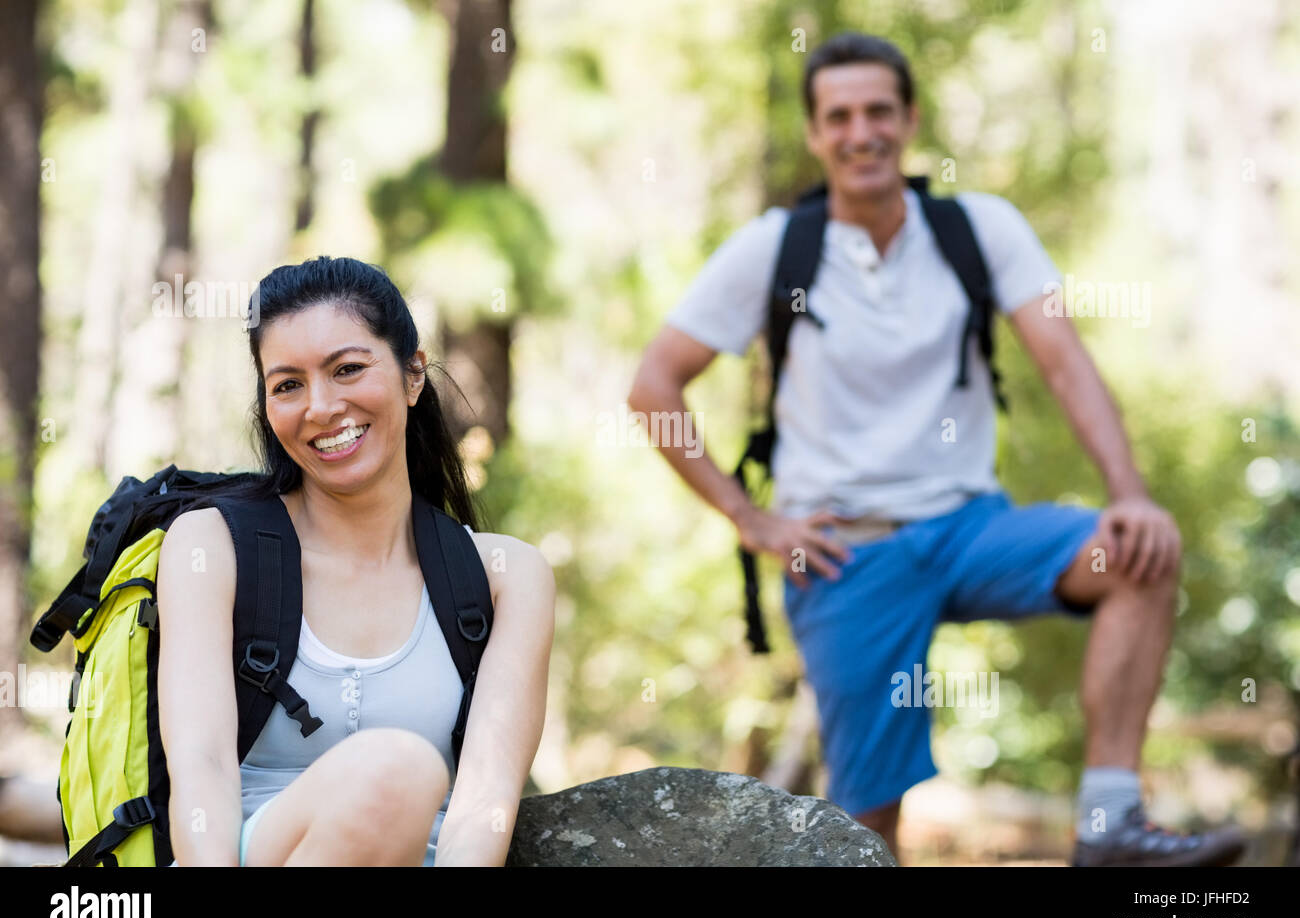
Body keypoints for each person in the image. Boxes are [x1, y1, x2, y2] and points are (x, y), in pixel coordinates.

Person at [628, 33, 1245, 866]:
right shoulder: (776, 248)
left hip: (970, 529)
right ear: (816, 134)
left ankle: (1109, 825)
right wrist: (751, 519)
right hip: (851, 552)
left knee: (1137, 555)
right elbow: (653, 386)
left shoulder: (978, 229)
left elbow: (1066, 366)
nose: (862, 132)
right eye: (839, 116)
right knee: (867, 829)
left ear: (910, 119)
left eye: (879, 110)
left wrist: (1128, 490)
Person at [157, 256, 554, 866]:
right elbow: (201, 769)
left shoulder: (505, 578)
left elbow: (485, 805)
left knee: (400, 774)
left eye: (347, 369)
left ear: (413, 374)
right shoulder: (211, 547)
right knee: (396, 772)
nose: (320, 407)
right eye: (288, 384)